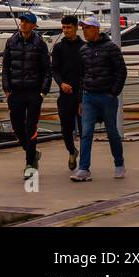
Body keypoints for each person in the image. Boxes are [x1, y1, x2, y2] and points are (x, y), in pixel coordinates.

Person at [71, 16, 127, 182]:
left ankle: (119, 163)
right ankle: (83, 168)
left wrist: (113, 92)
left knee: (112, 132)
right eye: (83, 28)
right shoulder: (83, 50)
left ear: (96, 29)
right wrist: (81, 98)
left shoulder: (111, 48)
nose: (84, 31)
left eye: (87, 28)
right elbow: (81, 75)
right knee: (86, 132)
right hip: (89, 96)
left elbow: (121, 71)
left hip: (106, 96)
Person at [1, 11, 52, 179]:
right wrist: (7, 89)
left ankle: (30, 164)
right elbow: (6, 68)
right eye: (21, 21)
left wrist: (43, 92)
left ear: (33, 25)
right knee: (17, 127)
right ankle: (32, 151)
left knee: (31, 127)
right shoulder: (11, 42)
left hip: (33, 92)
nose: (23, 24)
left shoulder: (39, 44)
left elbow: (47, 70)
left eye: (26, 21)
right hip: (15, 91)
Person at [51, 14, 85, 170]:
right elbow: (55, 70)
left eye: (69, 27)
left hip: (82, 95)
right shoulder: (58, 48)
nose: (65, 31)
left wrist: (82, 95)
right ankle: (72, 151)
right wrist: (61, 83)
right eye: (63, 27)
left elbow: (87, 71)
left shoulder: (84, 47)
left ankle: (85, 162)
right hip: (65, 95)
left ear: (76, 28)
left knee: (85, 129)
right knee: (66, 128)